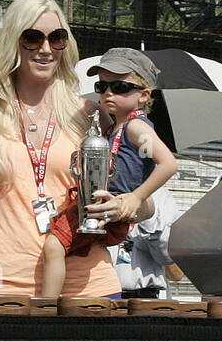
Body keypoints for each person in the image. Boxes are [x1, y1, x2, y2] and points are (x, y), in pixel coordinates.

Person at [0, 0, 140, 298]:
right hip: (8, 286)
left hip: (90, 286)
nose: (46, 49)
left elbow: (144, 198)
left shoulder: (90, 114)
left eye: (57, 38)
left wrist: (125, 204)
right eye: (33, 38)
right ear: (12, 40)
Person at [40, 47, 176, 296]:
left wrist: (136, 197)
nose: (108, 93)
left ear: (144, 95)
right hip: (104, 207)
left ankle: (44, 309)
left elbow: (168, 164)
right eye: (102, 86)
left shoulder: (135, 126)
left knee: (53, 246)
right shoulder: (115, 127)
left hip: (111, 207)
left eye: (120, 87)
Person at [109, 185, 181, 299]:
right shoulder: (107, 186)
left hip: (145, 296)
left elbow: (172, 267)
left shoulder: (159, 194)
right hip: (104, 293)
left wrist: (147, 216)